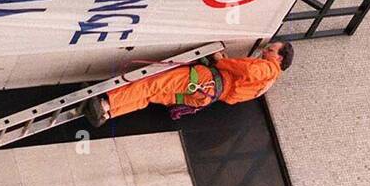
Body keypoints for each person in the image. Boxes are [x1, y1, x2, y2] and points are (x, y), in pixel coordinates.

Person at [84, 42, 294, 126]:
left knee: (153, 84)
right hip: (205, 97)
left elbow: (248, 70)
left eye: (271, 50)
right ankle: (109, 113)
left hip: (207, 80)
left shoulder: (268, 69)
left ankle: (107, 104)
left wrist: (221, 61)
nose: (265, 50)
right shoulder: (266, 84)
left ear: (280, 59)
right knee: (150, 97)